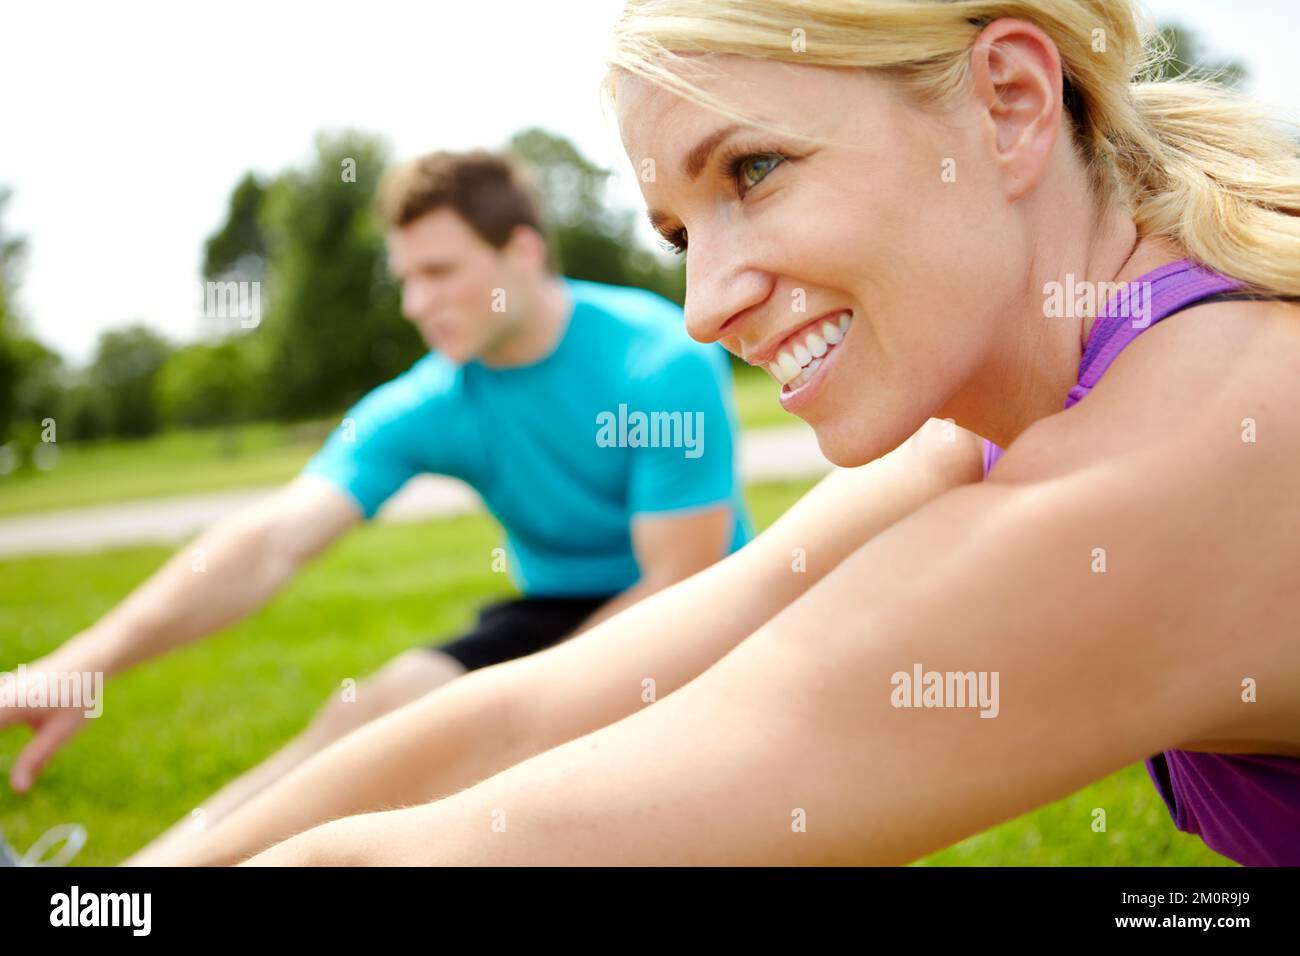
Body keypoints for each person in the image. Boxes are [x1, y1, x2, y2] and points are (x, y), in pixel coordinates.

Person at [153, 0, 1300, 867]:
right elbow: (526, 713)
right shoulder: (1006, 422)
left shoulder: (1187, 448)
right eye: (675, 232)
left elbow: (499, 847)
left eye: (752, 169)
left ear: (1006, 103)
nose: (704, 307)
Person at [0, 149, 752, 864]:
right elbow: (272, 541)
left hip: (704, 611)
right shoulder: (436, 395)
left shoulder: (658, 358)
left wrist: (492, 716)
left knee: (465, 754)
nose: (416, 304)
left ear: (520, 254)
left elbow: (672, 584)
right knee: (376, 713)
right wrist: (79, 668)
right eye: (405, 279)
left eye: (439, 272)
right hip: (556, 607)